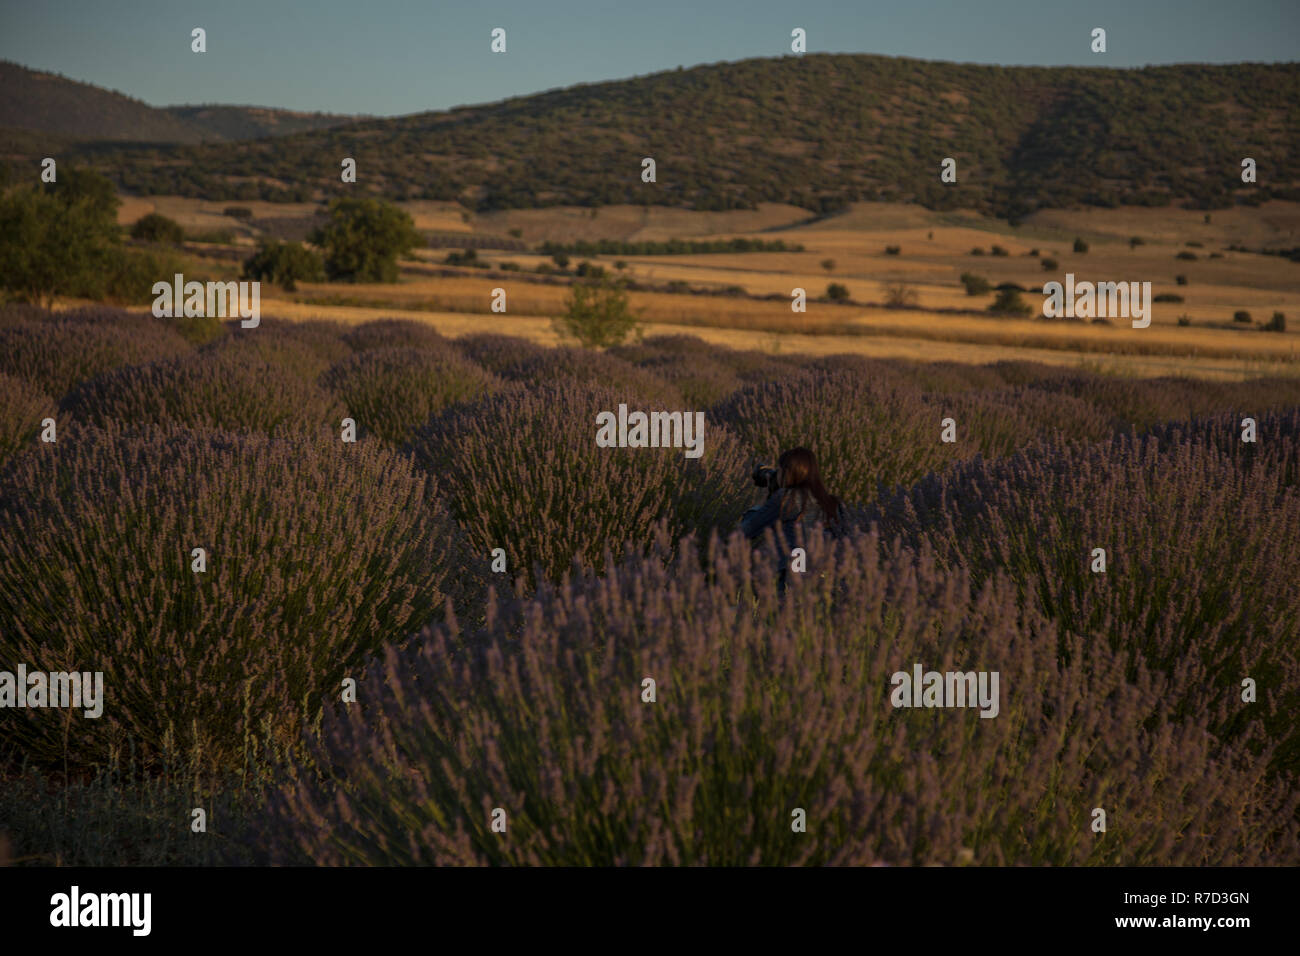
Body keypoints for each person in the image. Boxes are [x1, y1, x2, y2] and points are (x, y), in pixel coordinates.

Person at [741, 446, 842, 591]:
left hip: (789, 580)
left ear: (788, 473)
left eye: (780, 470)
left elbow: (748, 529)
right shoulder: (833, 503)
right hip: (826, 579)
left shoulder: (787, 497)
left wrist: (760, 507)